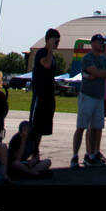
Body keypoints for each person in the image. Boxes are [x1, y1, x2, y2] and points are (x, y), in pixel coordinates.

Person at [71, 33, 106, 169]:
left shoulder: (104, 60)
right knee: (82, 127)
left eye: (104, 43)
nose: (102, 45)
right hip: (87, 96)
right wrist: (98, 74)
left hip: (99, 98)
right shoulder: (87, 58)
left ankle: (92, 154)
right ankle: (75, 156)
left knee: (96, 127)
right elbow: (96, 72)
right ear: (93, 43)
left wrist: (97, 74)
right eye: (100, 42)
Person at [26, 27, 60, 160]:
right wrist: (50, 48)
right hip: (40, 96)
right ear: (49, 40)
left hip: (48, 97)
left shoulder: (53, 57)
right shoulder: (42, 53)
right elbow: (46, 64)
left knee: (42, 128)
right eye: (55, 41)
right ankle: (29, 151)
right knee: (34, 127)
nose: (57, 44)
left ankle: (35, 151)